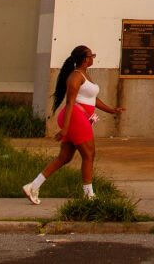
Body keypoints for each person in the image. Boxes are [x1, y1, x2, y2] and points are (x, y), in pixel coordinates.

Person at [23, 44, 123, 203]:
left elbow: (92, 99)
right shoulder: (76, 77)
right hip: (75, 117)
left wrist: (111, 110)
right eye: (91, 56)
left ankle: (33, 186)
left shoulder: (84, 74)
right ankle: (89, 196)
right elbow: (69, 103)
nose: (93, 58)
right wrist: (65, 128)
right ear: (84, 59)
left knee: (64, 157)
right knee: (89, 154)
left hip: (78, 118)